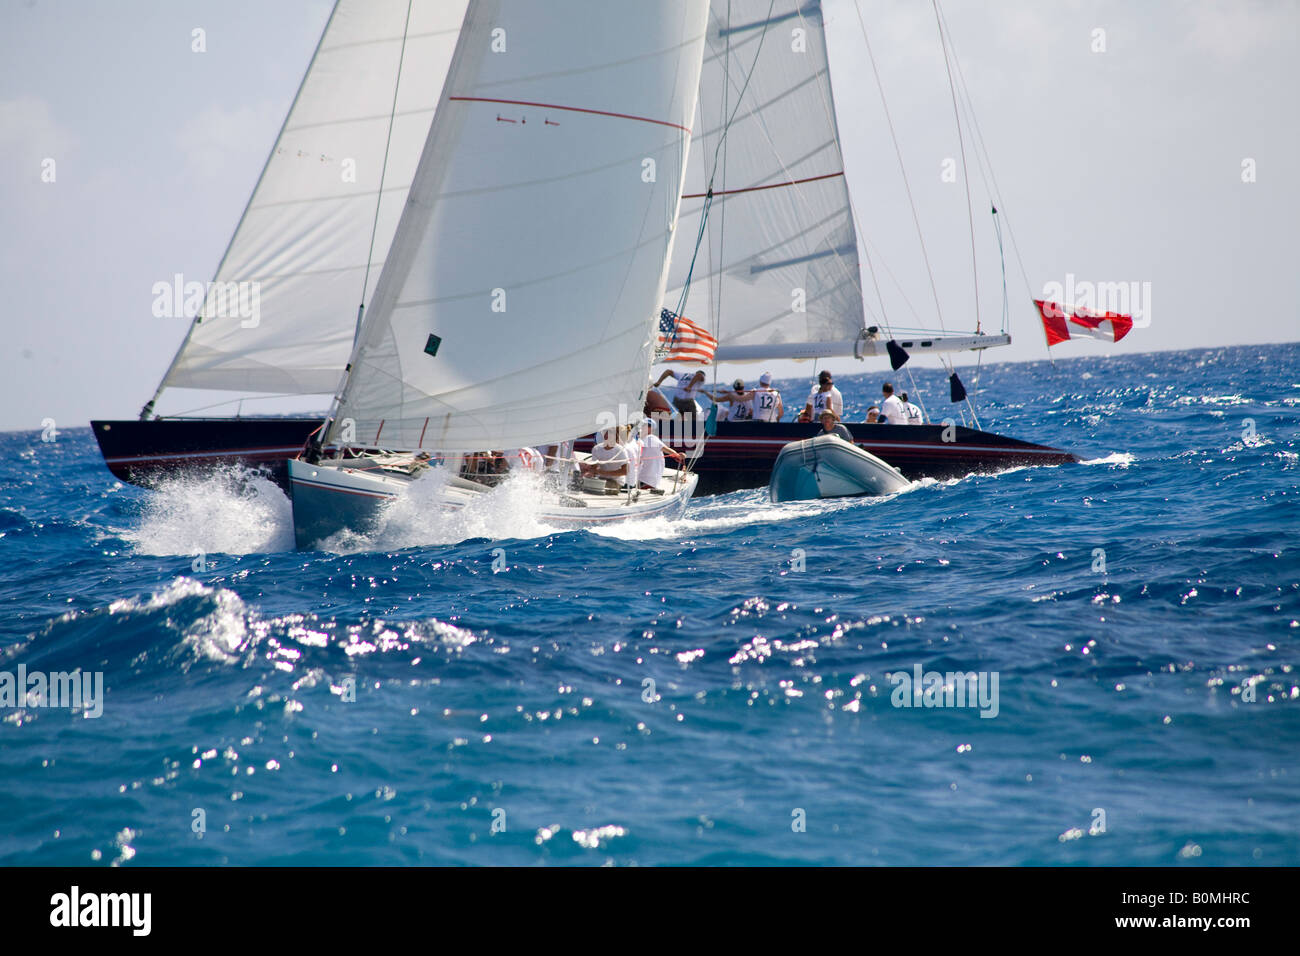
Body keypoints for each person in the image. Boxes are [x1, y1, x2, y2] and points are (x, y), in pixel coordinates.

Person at [635, 418, 684, 490]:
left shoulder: (651, 438)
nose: (641, 427)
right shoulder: (640, 439)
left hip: (647, 478)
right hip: (645, 478)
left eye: (644, 425)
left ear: (650, 428)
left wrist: (677, 455)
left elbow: (665, 449)